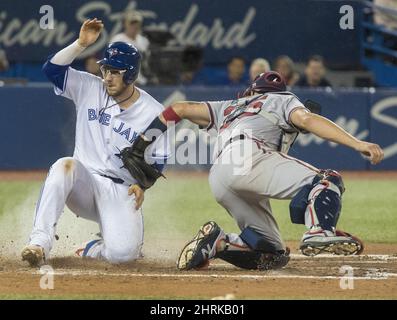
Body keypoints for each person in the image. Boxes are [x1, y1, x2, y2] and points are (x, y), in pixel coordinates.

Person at [131, 71, 384, 271]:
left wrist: (143, 142)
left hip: (219, 177)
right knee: (327, 179)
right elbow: (306, 120)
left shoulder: (229, 106)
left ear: (253, 90)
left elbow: (178, 109)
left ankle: (218, 242)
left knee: (272, 253)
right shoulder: (283, 99)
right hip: (250, 158)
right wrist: (357, 143)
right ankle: (319, 230)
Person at [21, 18, 169, 267]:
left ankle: (95, 248)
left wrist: (144, 186)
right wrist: (80, 44)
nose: (108, 77)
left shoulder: (152, 111)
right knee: (64, 166)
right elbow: (51, 70)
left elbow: (161, 158)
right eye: (105, 70)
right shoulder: (89, 87)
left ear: (130, 74)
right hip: (84, 184)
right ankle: (39, 242)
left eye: (115, 72)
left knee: (123, 256)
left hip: (121, 191)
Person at [111, 10, 150, 85]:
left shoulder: (144, 41)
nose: (134, 26)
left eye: (136, 23)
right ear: (125, 24)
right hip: (124, 82)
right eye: (131, 23)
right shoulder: (118, 40)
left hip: (143, 81)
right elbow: (112, 64)